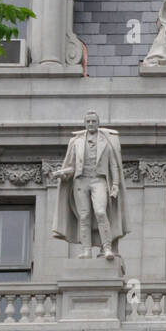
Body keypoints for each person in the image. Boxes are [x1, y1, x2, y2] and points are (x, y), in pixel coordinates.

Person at [53, 111, 128, 260]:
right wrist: (63, 173)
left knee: (100, 212)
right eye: (88, 121)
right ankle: (86, 250)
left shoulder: (106, 141)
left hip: (99, 180)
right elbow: (72, 166)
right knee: (84, 216)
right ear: (85, 123)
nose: (91, 124)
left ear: (98, 123)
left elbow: (114, 165)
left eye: (94, 121)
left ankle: (107, 247)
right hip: (81, 181)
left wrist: (115, 184)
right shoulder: (76, 142)